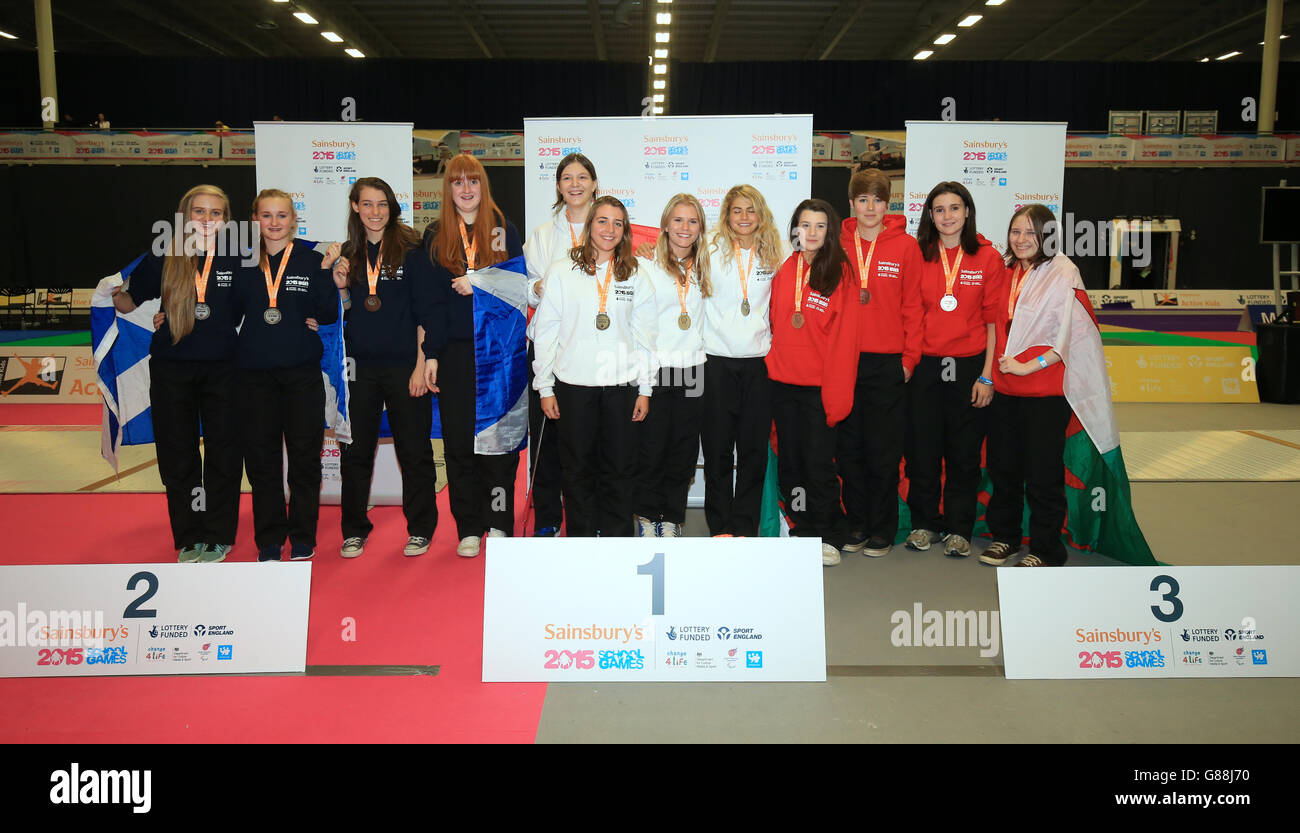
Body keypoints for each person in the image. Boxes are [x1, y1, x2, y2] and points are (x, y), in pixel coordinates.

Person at [111, 185, 241, 563]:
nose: (207, 219)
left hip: (224, 370)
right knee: (178, 454)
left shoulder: (241, 258)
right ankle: (189, 534)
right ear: (185, 217)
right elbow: (129, 302)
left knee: (223, 454)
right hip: (171, 369)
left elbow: (268, 298)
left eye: (215, 213)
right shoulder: (163, 256)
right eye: (199, 212)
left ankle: (217, 534)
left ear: (226, 220)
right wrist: (109, 291)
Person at [980, 204, 1109, 567]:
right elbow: (993, 328)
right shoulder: (1003, 272)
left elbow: (1069, 338)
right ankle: (1005, 537)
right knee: (1004, 469)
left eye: (1031, 233)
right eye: (1016, 232)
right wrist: (990, 374)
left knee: (1042, 474)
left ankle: (1045, 547)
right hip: (1004, 392)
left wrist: (1028, 366)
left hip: (1045, 393)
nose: (1021, 240)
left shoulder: (1063, 273)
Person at [409, 154, 523, 558]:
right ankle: (469, 526)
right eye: (458, 182)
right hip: (455, 353)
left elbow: (517, 290)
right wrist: (431, 353)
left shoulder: (502, 230)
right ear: (448, 189)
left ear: (483, 185)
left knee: (499, 441)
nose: (466, 189)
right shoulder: (437, 235)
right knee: (458, 442)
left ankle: (499, 519)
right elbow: (432, 302)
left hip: (498, 353)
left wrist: (480, 283)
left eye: (473, 181)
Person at [532, 196, 657, 537]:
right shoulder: (561, 271)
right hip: (573, 387)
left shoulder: (635, 274)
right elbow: (545, 332)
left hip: (622, 387)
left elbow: (646, 337)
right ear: (589, 226)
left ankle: (617, 543)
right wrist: (545, 387)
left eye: (618, 223)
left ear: (625, 231)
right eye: (602, 221)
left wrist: (645, 389)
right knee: (576, 471)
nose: (610, 229)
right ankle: (582, 542)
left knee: (620, 469)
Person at [331, 176, 440, 559]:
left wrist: (420, 364)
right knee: (356, 452)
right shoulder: (348, 251)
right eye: (367, 204)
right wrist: (342, 288)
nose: (375, 212)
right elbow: (347, 313)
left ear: (391, 207)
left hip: (403, 366)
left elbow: (425, 312)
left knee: (414, 451)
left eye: (382, 204)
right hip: (359, 368)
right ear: (356, 207)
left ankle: (421, 528)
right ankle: (354, 529)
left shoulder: (412, 249)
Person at [233, 189, 339, 562]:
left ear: (294, 220)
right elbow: (223, 313)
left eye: (282, 216)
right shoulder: (243, 263)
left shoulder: (311, 261)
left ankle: (304, 536)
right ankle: (270, 539)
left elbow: (327, 314)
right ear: (255, 221)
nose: (274, 223)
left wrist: (326, 273)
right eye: (267, 216)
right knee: (262, 462)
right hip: (254, 378)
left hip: (300, 376)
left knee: (304, 459)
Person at [904, 181, 1004, 558]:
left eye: (955, 208)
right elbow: (909, 312)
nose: (948, 216)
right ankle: (924, 523)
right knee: (922, 449)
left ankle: (960, 528)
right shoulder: (917, 255)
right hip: (926, 366)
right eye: (940, 209)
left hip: (969, 368)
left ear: (967, 212)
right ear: (930, 214)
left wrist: (987, 374)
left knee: (963, 453)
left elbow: (994, 324)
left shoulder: (987, 258)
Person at [766, 199, 860, 566]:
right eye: (805, 225)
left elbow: (845, 341)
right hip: (782, 385)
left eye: (820, 226)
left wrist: (836, 395)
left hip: (820, 389)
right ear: (794, 230)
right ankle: (802, 528)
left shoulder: (840, 272)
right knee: (791, 464)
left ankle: (829, 533)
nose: (812, 233)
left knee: (819, 464)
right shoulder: (784, 270)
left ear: (830, 231)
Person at [836, 169, 923, 558]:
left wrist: (908, 360)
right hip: (843, 362)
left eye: (878, 200)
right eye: (862, 200)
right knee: (849, 448)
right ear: (852, 204)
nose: (870, 208)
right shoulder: (836, 242)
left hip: (887, 363)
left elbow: (913, 306)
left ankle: (883, 527)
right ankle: (856, 522)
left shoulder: (905, 247)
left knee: (883, 450)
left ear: (888, 205)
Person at [699, 184, 786, 538]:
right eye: (737, 210)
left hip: (758, 366)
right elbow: (672, 259)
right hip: (715, 363)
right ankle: (720, 525)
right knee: (718, 451)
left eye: (751, 210)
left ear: (760, 214)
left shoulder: (774, 254)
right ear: (727, 215)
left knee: (753, 451)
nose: (744, 217)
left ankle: (745, 525)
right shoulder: (709, 248)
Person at [522, 152, 599, 537]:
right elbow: (528, 290)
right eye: (567, 178)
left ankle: (589, 519)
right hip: (550, 348)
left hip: (594, 349)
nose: (575, 184)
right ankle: (548, 517)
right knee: (548, 435)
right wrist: (538, 288)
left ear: (594, 184)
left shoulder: (609, 228)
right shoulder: (541, 235)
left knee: (590, 438)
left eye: (582, 177)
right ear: (557, 186)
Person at [632, 194, 710, 537]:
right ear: (665, 225)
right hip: (657, 369)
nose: (685, 228)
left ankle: (672, 517)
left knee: (682, 450)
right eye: (678, 220)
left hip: (694, 369)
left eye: (692, 221)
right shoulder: (645, 265)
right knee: (651, 447)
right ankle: (648, 516)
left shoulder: (707, 265)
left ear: (700, 228)